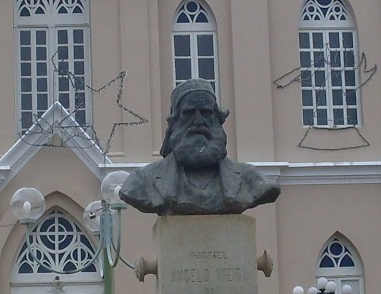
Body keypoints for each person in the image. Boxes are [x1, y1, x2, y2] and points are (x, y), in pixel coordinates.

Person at [120, 80, 280, 215]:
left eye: (206, 113)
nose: (198, 121)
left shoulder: (251, 179)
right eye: (189, 113)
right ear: (175, 122)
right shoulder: (141, 181)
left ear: (217, 118)